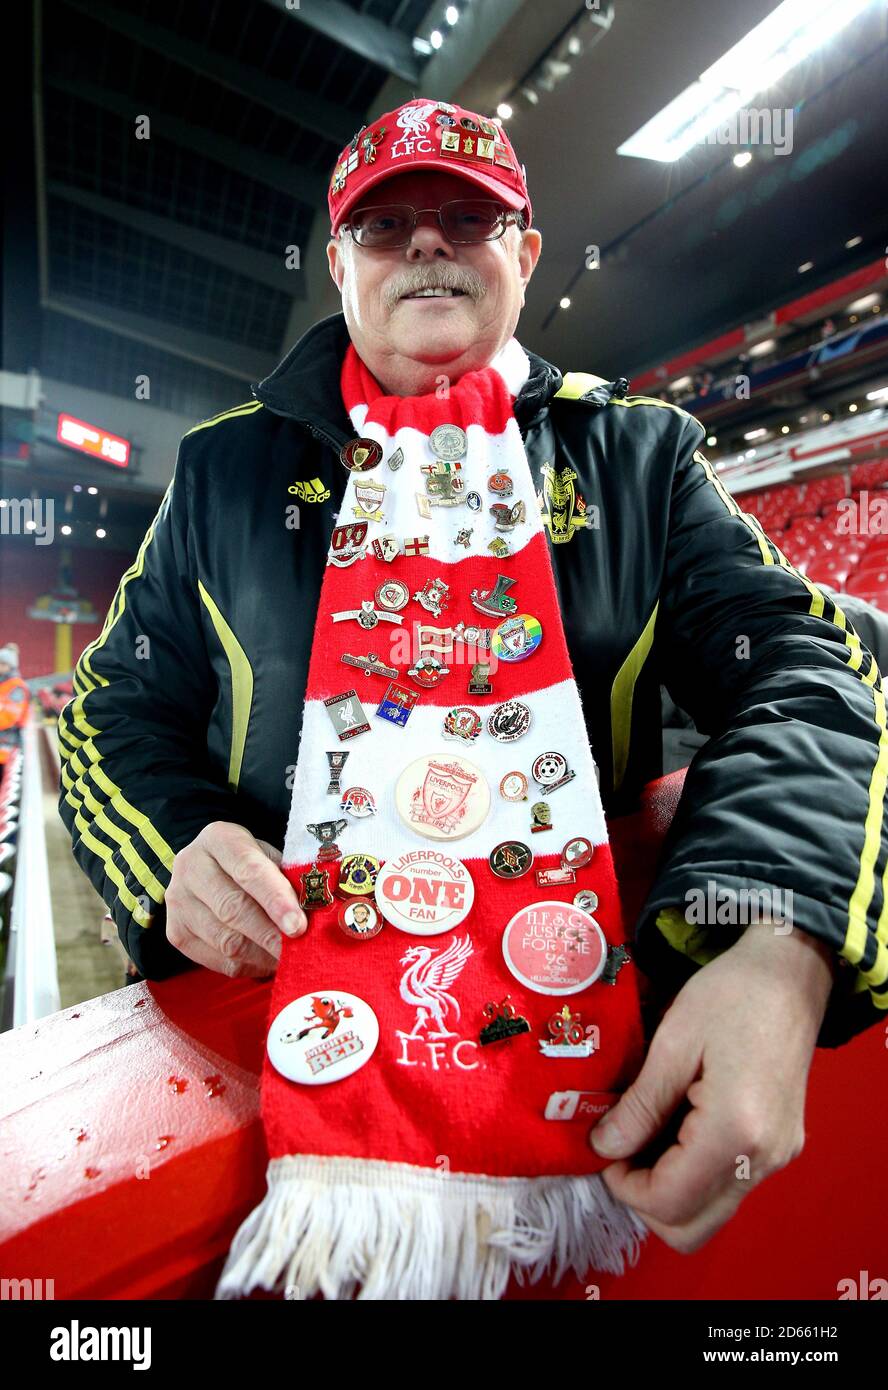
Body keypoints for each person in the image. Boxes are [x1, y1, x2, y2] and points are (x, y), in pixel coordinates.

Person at [58, 96, 887, 1261]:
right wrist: (174, 852)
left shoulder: (640, 457)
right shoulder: (222, 471)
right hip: (282, 1055)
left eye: (467, 216)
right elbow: (108, 712)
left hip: (584, 1064)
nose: (427, 244)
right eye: (386, 226)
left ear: (526, 254)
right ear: (341, 265)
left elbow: (811, 665)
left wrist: (777, 940)